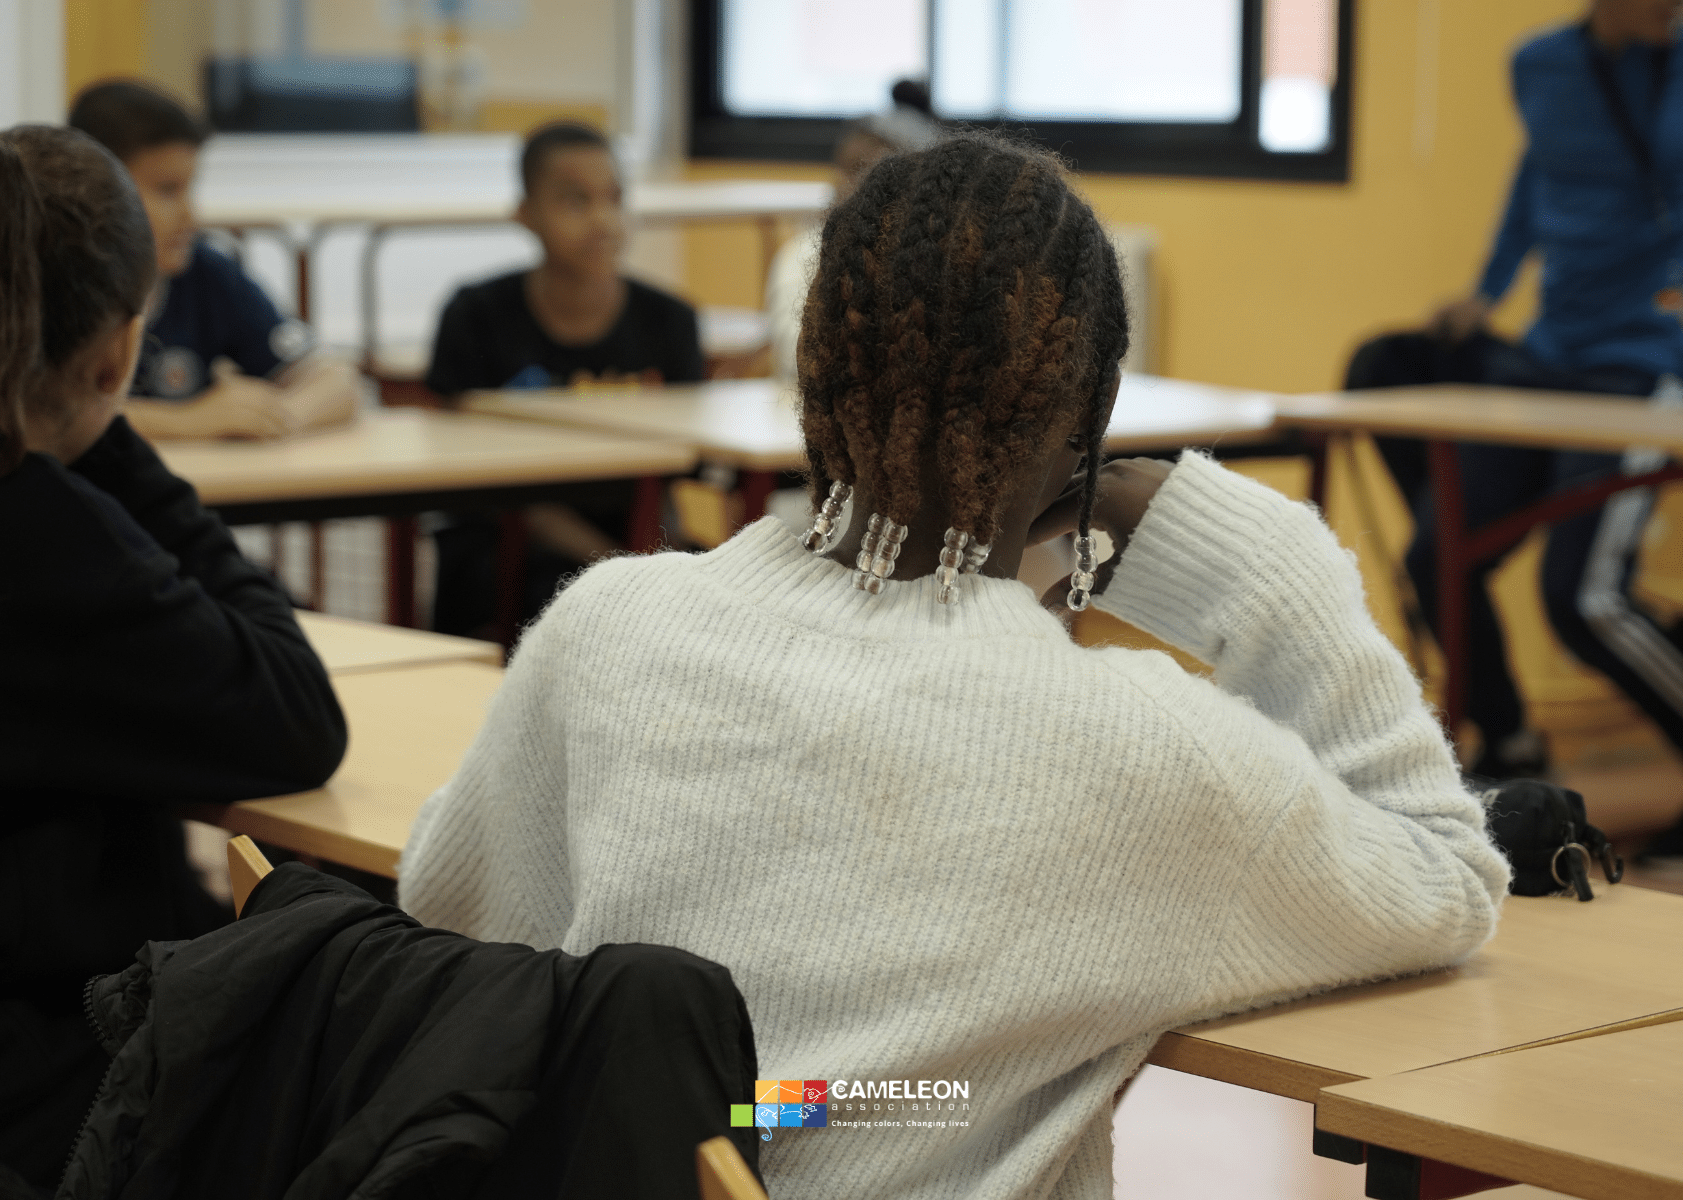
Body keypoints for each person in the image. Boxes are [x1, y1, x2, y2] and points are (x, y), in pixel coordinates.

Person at [399, 135, 1509, 1200]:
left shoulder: (606, 628)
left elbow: (447, 900)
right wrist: (1257, 559)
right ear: (1090, 417)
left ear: (811, 374)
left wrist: (761, 1089)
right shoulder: (1148, 761)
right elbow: (1446, 873)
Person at [0, 124, 347, 1192]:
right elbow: (296, 715)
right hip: (58, 1077)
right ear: (116, 355)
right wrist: (109, 436)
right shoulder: (45, 542)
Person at [1405, 0, 1683, 846]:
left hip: (1644, 365)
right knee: (1437, 556)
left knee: (1583, 599)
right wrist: (1489, 291)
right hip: (1551, 356)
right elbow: (1536, 178)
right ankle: (1509, 741)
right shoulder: (1539, 63)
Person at [425, 121, 704, 635]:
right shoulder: (476, 316)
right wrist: (614, 565)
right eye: (576, 201)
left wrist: (656, 566)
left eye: (614, 198)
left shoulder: (670, 321)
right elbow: (478, 476)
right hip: (511, 543)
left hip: (633, 536)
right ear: (526, 214)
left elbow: (677, 476)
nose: (603, 220)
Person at [67, 79, 360, 441]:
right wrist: (188, 421)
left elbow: (336, 379)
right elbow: (48, 415)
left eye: (191, 188)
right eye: (168, 190)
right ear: (97, 193)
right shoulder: (51, 281)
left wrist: (275, 417)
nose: (191, 215)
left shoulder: (206, 273)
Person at [766, 79, 940, 384]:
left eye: (874, 174)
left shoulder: (933, 258)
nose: (855, 186)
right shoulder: (805, 255)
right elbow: (799, 355)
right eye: (850, 169)